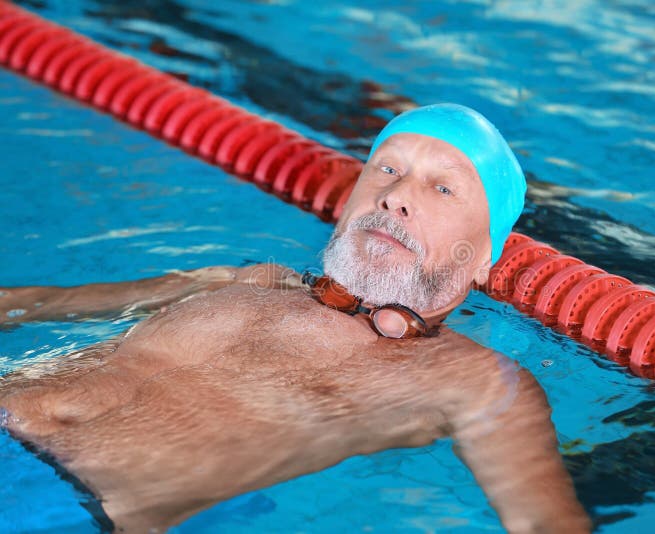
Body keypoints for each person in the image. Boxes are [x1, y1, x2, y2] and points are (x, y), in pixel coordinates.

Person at [0, 104, 591, 533]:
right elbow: (38, 304)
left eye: (442, 189)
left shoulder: (470, 378)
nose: (397, 197)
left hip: (64, 506)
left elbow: (545, 523)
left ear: (485, 260)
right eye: (387, 170)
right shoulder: (245, 279)